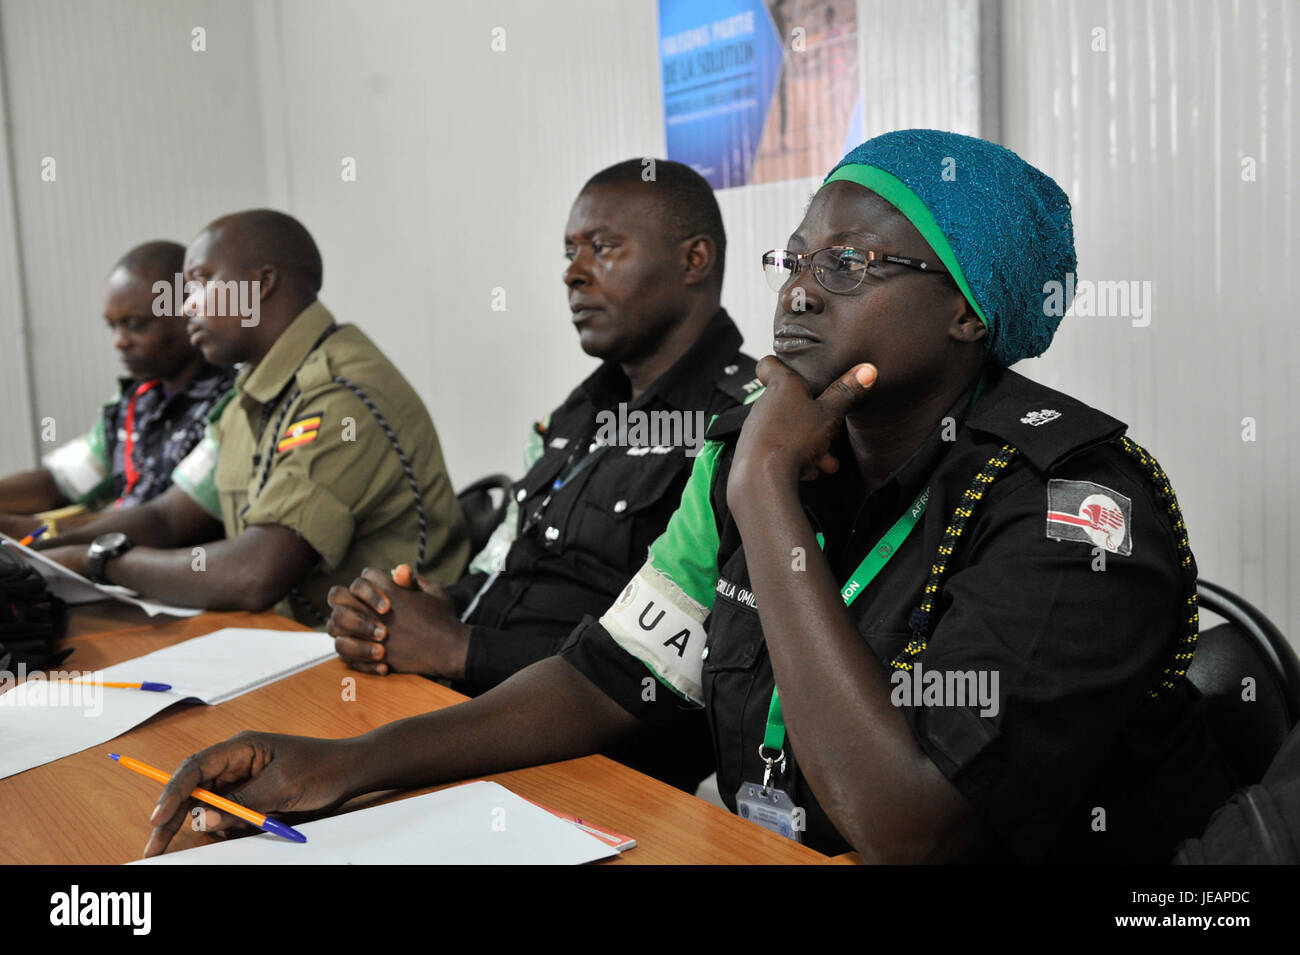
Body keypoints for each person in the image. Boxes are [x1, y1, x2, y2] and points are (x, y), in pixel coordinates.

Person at [142, 131, 1233, 864]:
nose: (799, 288)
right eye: (793, 257)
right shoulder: (762, 452)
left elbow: (906, 822)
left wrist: (763, 493)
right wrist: (344, 767)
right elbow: (609, 677)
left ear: (965, 310)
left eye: (850, 264)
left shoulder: (1073, 504)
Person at [326, 159, 757, 704]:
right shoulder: (577, 413)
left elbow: (685, 671)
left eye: (602, 248)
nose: (573, 273)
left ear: (694, 260)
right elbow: (502, 561)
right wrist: (420, 610)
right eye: (569, 252)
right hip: (460, 701)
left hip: (589, 753)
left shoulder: (738, 427)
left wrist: (459, 647)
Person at [39, 210, 468, 625]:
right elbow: (168, 518)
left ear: (262, 283)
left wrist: (100, 560)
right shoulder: (255, 395)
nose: (186, 305)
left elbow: (255, 574)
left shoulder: (336, 396)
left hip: (388, 664)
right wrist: (38, 553)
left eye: (201, 282)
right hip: (292, 643)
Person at [0, 241, 234, 538]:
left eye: (135, 324)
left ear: (190, 310)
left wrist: (28, 531)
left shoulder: (232, 402)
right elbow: (59, 482)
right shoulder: (136, 400)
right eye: (113, 327)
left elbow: (165, 520)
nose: (119, 342)